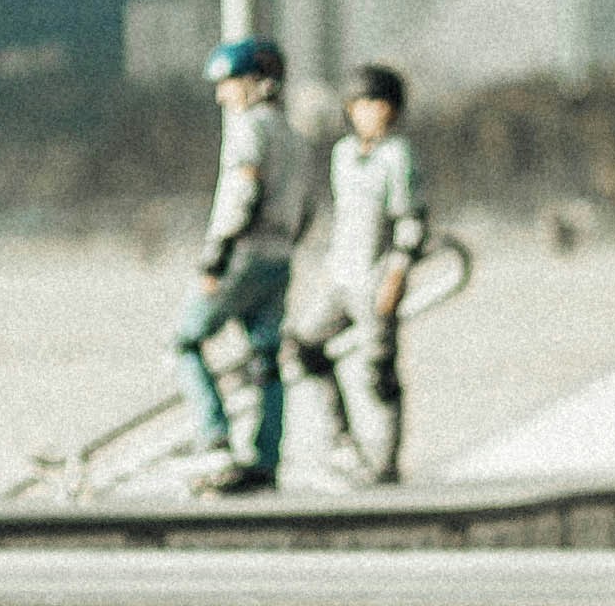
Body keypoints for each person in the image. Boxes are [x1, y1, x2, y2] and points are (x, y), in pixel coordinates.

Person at [176, 36, 323, 493]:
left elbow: (242, 193)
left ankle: (213, 436)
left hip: (243, 254)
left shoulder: (248, 129)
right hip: (281, 258)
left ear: (258, 83)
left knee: (184, 342)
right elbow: (309, 208)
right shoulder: (297, 138)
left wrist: (215, 257)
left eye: (228, 84)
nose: (222, 94)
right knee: (266, 360)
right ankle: (265, 457)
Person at [284, 63, 430, 483]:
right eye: (363, 104)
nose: (372, 112)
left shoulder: (398, 155)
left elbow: (411, 219)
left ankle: (386, 461)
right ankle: (341, 439)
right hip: (339, 275)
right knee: (304, 347)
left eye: (380, 104)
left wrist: (397, 275)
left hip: (376, 276)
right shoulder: (343, 154)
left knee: (377, 371)